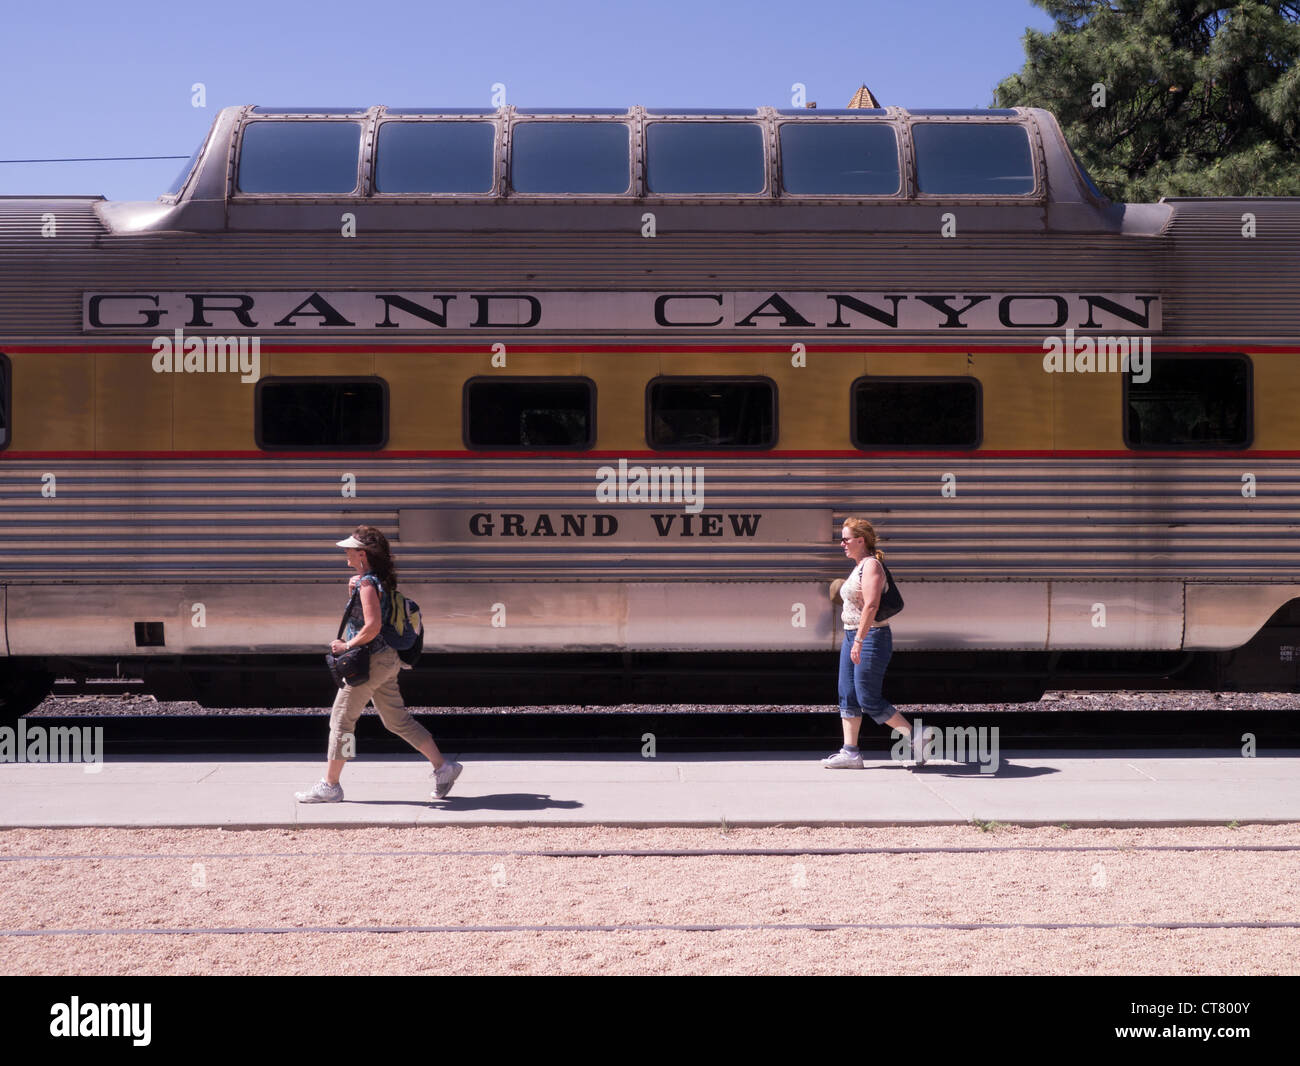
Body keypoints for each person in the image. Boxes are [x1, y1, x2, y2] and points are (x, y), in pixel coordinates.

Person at [296, 525, 462, 802]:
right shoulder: (377, 581)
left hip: (370, 662)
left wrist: (346, 645)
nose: (346, 554)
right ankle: (444, 768)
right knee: (397, 720)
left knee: (341, 719)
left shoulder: (367, 584)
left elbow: (372, 627)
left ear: (363, 554)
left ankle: (331, 785)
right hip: (387, 660)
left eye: (350, 550)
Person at [824, 517, 931, 769]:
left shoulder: (871, 566)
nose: (842, 544)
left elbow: (872, 605)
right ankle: (850, 753)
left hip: (871, 637)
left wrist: (859, 640)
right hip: (854, 634)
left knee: (867, 698)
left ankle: (915, 735)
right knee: (847, 696)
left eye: (846, 539)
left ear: (861, 541)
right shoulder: (859, 565)